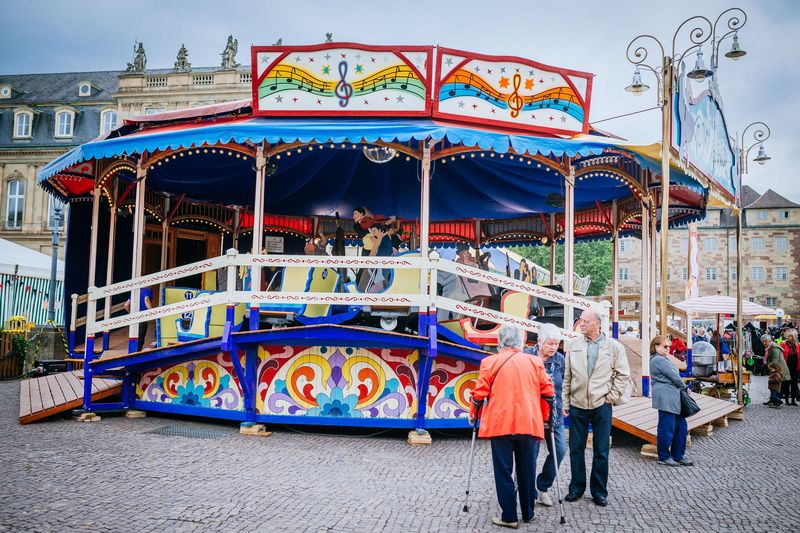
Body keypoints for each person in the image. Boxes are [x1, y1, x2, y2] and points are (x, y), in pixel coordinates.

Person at [470, 325, 554, 528]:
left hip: (501, 424)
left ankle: (509, 516)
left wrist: (474, 416)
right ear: (521, 342)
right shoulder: (534, 362)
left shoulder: (489, 362)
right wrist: (545, 418)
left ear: (500, 342)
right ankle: (528, 512)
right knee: (527, 469)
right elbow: (548, 393)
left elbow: (479, 394)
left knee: (504, 471)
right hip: (528, 423)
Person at [562, 308, 630, 507]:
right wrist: (566, 402)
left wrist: (611, 396)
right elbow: (568, 377)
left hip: (602, 405)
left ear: (597, 324)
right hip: (577, 405)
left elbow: (622, 374)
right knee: (576, 448)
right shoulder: (573, 346)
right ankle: (576, 487)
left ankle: (599, 491)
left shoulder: (614, 347)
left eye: (585, 321)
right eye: (580, 321)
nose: (581, 324)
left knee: (601, 451)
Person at [525, 323, 566, 508]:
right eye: (550, 343)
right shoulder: (526, 355)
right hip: (532, 413)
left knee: (559, 450)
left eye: (556, 343)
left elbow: (562, 383)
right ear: (540, 341)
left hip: (554, 413)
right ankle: (529, 491)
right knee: (530, 454)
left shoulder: (559, 359)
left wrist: (565, 402)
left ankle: (543, 485)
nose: (553, 347)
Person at [650, 335, 693, 467]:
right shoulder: (658, 359)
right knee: (666, 428)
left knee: (681, 426)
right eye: (665, 346)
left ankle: (678, 455)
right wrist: (684, 387)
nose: (668, 348)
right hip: (665, 397)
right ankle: (663, 456)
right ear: (656, 347)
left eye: (669, 346)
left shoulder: (663, 358)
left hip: (673, 397)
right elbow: (674, 375)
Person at [762, 333, 790, 406]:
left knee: (776, 386)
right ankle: (773, 399)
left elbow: (775, 362)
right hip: (775, 369)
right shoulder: (770, 347)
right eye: (762, 341)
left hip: (779, 370)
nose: (763, 343)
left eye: (765, 341)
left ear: (769, 340)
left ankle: (777, 401)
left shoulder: (774, 348)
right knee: (774, 386)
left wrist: (771, 369)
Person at [124, 286, 154, 351]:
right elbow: (146, 301)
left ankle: (132, 352)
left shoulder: (135, 291)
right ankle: (137, 352)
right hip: (142, 317)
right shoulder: (147, 290)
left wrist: (130, 313)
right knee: (140, 337)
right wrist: (153, 313)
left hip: (133, 318)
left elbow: (126, 305)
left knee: (133, 336)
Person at [782, 329, 799, 406]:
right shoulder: (783, 344)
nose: (787, 337)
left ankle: (793, 400)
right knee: (786, 383)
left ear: (794, 337)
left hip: (795, 367)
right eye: (787, 336)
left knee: (794, 384)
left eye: (789, 336)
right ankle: (786, 400)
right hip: (786, 367)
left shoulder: (798, 345)